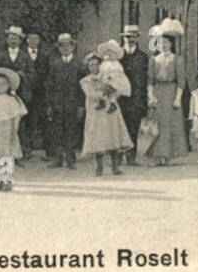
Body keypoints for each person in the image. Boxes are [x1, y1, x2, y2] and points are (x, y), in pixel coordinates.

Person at [81, 52, 133, 175]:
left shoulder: (108, 77)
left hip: (110, 109)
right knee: (98, 137)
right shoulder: (85, 81)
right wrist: (104, 92)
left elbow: (117, 90)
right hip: (95, 111)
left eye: (96, 65)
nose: (94, 67)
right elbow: (91, 95)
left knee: (113, 134)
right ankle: (99, 167)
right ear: (88, 67)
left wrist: (112, 91)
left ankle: (115, 167)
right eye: (91, 65)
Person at [148, 20, 189, 165]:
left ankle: (169, 155)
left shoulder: (177, 60)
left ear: (171, 44)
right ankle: (158, 156)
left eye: (165, 42)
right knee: (158, 124)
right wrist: (151, 95)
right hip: (159, 92)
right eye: (160, 42)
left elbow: (181, 81)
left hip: (171, 92)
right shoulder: (153, 60)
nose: (163, 45)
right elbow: (150, 80)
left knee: (171, 124)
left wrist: (178, 98)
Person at [0, 25, 40, 161]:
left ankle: (23, 152)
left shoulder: (25, 56)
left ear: (20, 41)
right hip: (6, 93)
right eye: (11, 38)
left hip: (22, 93)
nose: (13, 41)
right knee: (6, 121)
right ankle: (6, 151)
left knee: (22, 123)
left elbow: (33, 75)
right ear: (7, 40)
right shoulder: (2, 55)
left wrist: (23, 76)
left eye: (16, 39)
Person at [43, 33, 85, 168]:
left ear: (72, 46)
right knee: (57, 131)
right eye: (62, 46)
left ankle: (71, 158)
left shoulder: (79, 65)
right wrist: (49, 105)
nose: (65, 48)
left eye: (67, 45)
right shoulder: (54, 64)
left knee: (72, 131)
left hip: (73, 104)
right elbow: (49, 86)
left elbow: (83, 87)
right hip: (57, 104)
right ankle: (58, 158)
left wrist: (81, 105)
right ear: (58, 48)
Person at [0, 68, 26, 191]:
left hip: (7, 130)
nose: (1, 86)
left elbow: (15, 118)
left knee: (6, 156)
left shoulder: (12, 100)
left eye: (4, 83)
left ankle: (7, 180)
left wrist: (14, 132)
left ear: (9, 85)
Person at [117, 25, 150, 166]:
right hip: (119, 98)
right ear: (123, 37)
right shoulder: (117, 55)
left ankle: (131, 156)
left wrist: (145, 101)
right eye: (127, 37)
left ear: (137, 38)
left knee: (134, 128)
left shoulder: (143, 57)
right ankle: (117, 156)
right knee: (118, 127)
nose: (130, 39)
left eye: (133, 37)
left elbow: (145, 80)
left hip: (136, 98)